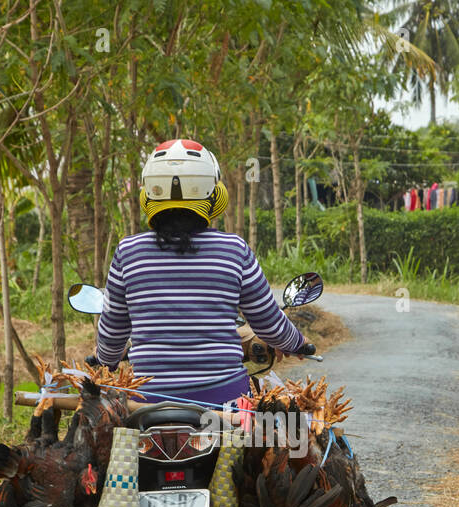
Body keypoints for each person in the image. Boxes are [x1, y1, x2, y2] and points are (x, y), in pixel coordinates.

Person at [95, 138, 307, 407]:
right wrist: (297, 343)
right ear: (213, 192)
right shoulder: (234, 249)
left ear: (148, 192)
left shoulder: (128, 252)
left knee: (119, 442)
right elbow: (270, 324)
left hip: (147, 403)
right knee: (270, 439)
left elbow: (113, 331)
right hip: (225, 402)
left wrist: (107, 361)